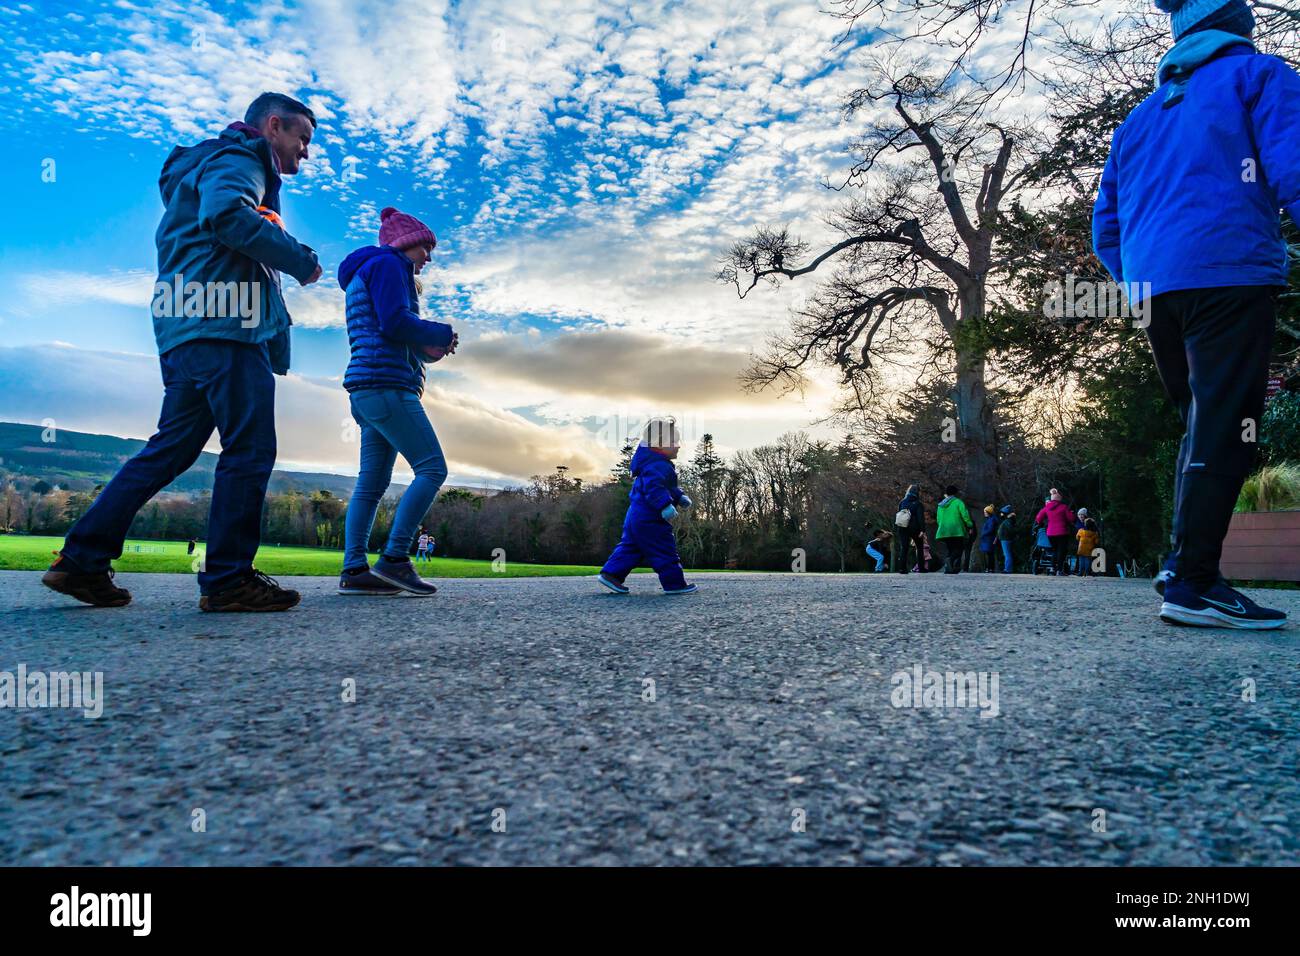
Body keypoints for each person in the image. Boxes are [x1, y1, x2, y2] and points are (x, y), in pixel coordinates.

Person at [42, 92, 322, 611]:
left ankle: (81, 559)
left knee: (169, 449)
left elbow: (221, 224)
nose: (305, 151)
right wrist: (300, 260)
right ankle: (228, 579)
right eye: (302, 138)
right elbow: (229, 217)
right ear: (273, 126)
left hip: (184, 327)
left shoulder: (200, 167)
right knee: (250, 448)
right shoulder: (241, 158)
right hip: (226, 325)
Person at [1093, 0, 1293, 628]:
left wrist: (1141, 280)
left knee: (1201, 423)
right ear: (1238, 29)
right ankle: (1194, 581)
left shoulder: (1138, 120)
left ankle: (1184, 566)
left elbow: (1105, 226)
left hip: (1157, 289)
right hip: (1228, 271)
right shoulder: (1260, 75)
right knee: (1229, 424)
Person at [337, 206, 456, 597]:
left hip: (367, 387)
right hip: (387, 386)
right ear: (407, 243)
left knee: (371, 484)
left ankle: (354, 570)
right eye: (425, 247)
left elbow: (391, 330)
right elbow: (394, 322)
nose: (428, 257)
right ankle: (395, 559)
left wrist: (431, 346)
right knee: (432, 468)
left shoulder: (366, 271)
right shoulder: (389, 264)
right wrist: (442, 330)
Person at [598, 418, 696, 595]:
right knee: (664, 549)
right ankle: (675, 585)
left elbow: (667, 486)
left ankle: (611, 574)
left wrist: (679, 496)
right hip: (651, 519)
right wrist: (665, 505)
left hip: (636, 517)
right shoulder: (657, 465)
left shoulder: (652, 464)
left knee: (631, 548)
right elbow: (654, 487)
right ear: (659, 444)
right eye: (674, 442)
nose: (679, 446)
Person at [1035, 489, 1077, 576]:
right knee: (1061, 551)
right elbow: (1071, 519)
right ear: (1059, 499)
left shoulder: (1046, 507)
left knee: (1054, 551)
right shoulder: (1063, 507)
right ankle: (1059, 570)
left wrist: (1041, 523)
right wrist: (1072, 514)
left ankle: (1052, 568)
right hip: (1062, 532)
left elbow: (1038, 518)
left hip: (1050, 533)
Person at [935, 485, 975, 574]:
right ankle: (950, 561)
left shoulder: (940, 505)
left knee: (950, 549)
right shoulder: (958, 502)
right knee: (959, 549)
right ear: (955, 493)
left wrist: (942, 526)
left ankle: (949, 568)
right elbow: (965, 515)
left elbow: (938, 519)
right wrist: (970, 525)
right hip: (956, 529)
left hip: (944, 530)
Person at [894, 484, 924, 575]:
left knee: (904, 548)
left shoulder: (902, 502)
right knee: (919, 548)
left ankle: (902, 569)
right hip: (915, 528)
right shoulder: (918, 503)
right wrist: (922, 530)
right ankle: (921, 568)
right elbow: (920, 518)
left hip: (902, 527)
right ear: (918, 492)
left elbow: (899, 514)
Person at [1076, 508, 1101, 577]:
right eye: (1079, 514)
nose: (1080, 516)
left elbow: (1077, 537)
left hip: (1081, 548)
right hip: (1090, 549)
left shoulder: (1081, 531)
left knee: (1081, 560)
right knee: (1088, 560)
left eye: (1082, 515)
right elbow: (1096, 542)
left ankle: (1080, 572)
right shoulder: (1094, 533)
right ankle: (1087, 572)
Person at [977, 505, 1000, 573]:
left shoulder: (991, 520)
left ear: (989, 512)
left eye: (985, 512)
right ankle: (989, 568)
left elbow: (990, 529)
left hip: (989, 539)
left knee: (989, 554)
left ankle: (989, 568)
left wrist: (983, 534)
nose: (984, 513)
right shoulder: (990, 519)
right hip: (987, 539)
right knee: (989, 554)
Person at [996, 505, 1016, 573]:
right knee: (1006, 554)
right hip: (1005, 539)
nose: (1001, 514)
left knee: (1007, 554)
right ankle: (1007, 568)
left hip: (1006, 539)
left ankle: (1008, 569)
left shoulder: (1008, 521)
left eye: (1002, 513)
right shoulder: (1007, 520)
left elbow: (1011, 530)